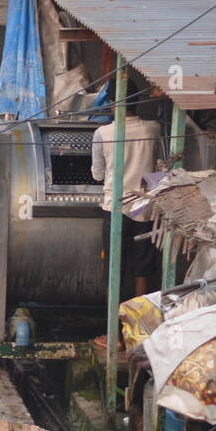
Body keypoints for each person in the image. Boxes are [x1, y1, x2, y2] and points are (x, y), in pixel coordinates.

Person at [92, 103, 162, 298]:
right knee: (142, 267)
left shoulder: (102, 132)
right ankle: (137, 321)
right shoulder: (153, 128)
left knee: (113, 265)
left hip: (115, 207)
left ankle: (112, 323)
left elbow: (97, 175)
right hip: (143, 206)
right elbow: (161, 166)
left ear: (114, 105)